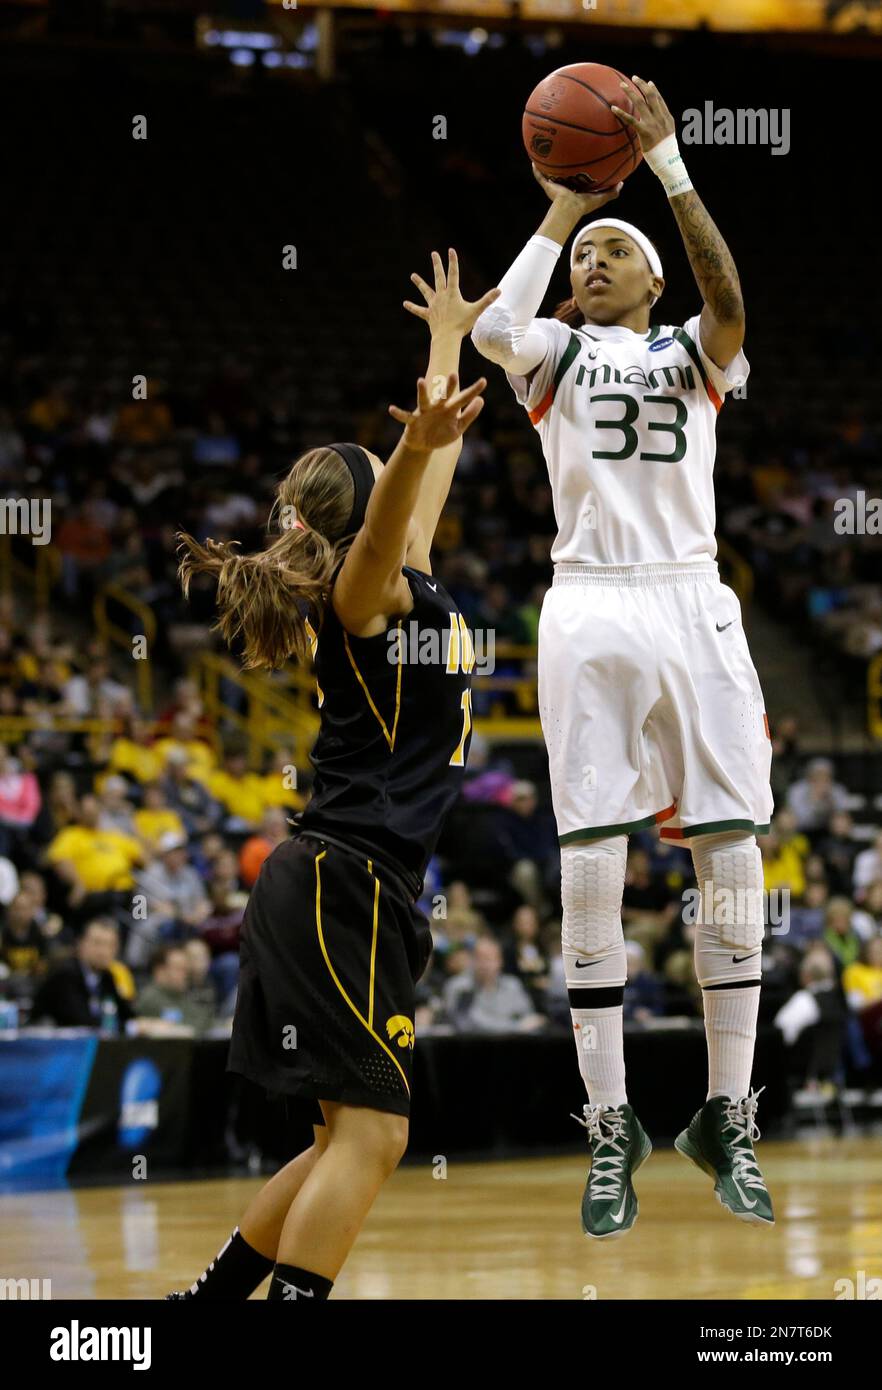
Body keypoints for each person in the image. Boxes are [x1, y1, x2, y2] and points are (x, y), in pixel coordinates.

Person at [471, 75, 774, 1235]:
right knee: (590, 867)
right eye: (585, 254)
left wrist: (670, 173)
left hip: (691, 595)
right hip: (589, 602)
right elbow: (497, 328)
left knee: (732, 858)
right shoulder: (551, 352)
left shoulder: (697, 351)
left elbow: (734, 303)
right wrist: (561, 207)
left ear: (654, 279)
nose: (594, 261)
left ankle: (726, 1111)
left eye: (613, 250)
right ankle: (612, 1127)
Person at [166, 249, 495, 1302]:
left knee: (342, 1139)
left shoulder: (404, 581)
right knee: (379, 1134)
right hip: (337, 882)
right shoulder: (366, 596)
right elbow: (407, 487)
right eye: (390, 479)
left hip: (350, 887)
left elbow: (422, 486)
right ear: (367, 520)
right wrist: (408, 441)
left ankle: (203, 1305)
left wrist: (449, 339)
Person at [31, 917, 134, 1032]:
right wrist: (129, 1027)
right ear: (80, 944)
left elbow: (126, 1014)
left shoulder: (107, 977)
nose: (104, 951)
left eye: (110, 945)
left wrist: (143, 1023)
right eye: (97, 943)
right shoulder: (65, 974)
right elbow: (81, 1021)